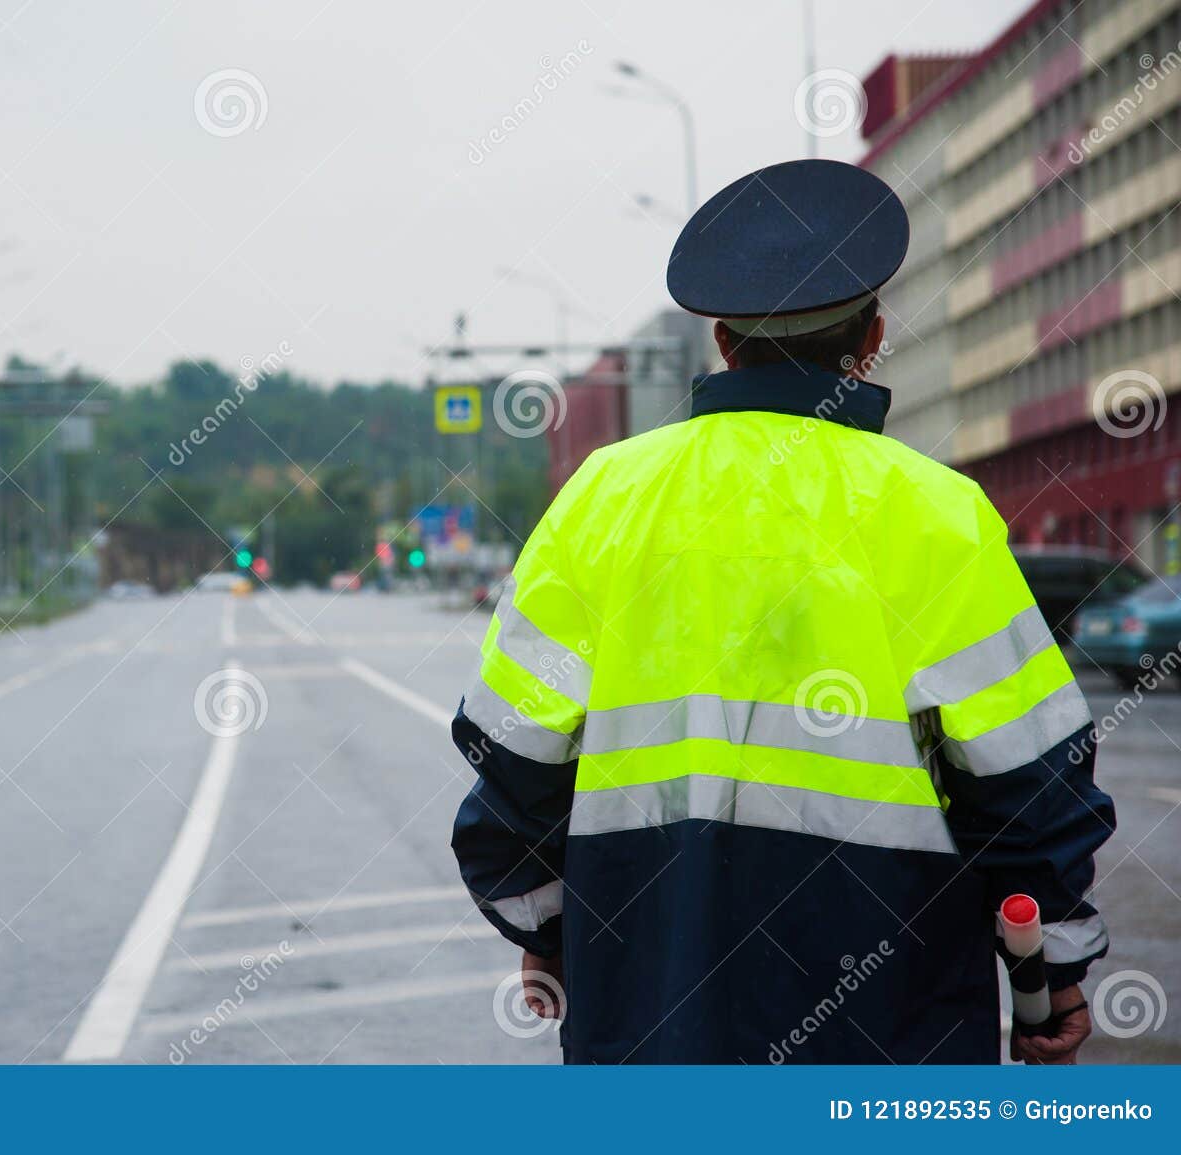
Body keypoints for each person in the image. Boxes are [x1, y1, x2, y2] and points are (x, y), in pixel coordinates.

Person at [449, 158, 1115, 1065]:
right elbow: (1033, 787)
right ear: (872, 337)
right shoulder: (937, 512)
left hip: (646, 1026)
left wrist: (547, 927)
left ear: (722, 341)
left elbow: (509, 763)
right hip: (890, 1034)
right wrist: (1053, 977)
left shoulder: (601, 498)